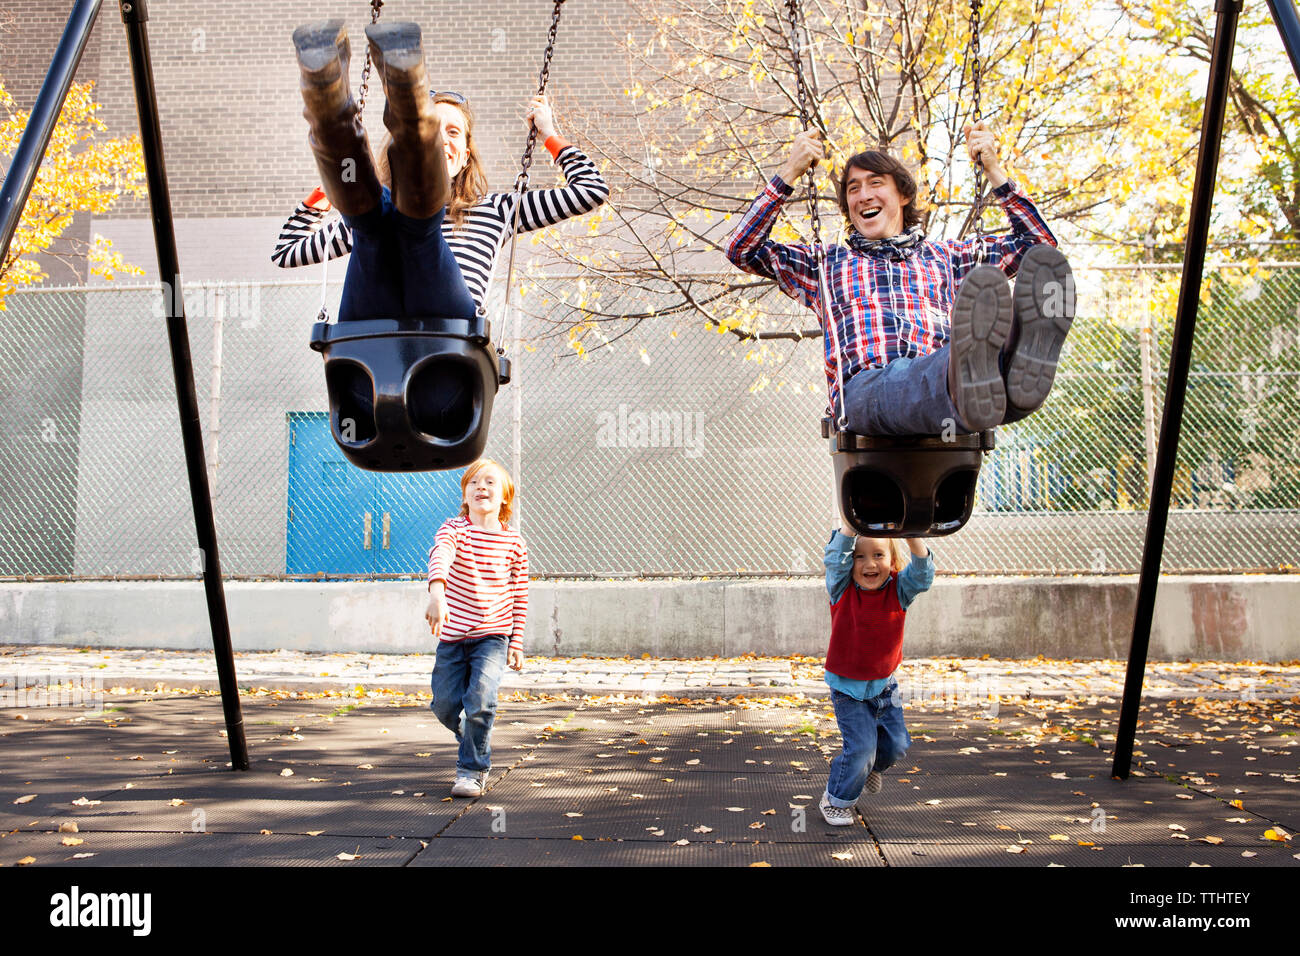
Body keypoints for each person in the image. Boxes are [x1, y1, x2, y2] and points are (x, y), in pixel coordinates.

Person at [725, 123, 1074, 437]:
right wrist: (790, 172)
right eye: (853, 189)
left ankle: (1016, 371)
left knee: (957, 372)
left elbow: (1039, 247)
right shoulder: (825, 265)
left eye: (875, 183)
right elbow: (742, 249)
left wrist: (994, 171)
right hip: (865, 394)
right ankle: (978, 376)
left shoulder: (946, 258)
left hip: (945, 392)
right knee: (937, 374)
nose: (863, 195)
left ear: (903, 195)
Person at [276, 19, 610, 323]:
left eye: (451, 133)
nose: (442, 142)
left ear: (465, 156)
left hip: (448, 329)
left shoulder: (497, 209)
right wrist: (335, 186)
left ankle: (402, 90)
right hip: (374, 321)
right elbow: (286, 252)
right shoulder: (378, 209)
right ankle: (327, 96)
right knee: (369, 224)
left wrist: (549, 135)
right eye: (432, 131)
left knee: (416, 229)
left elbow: (591, 191)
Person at [424, 458, 528, 797]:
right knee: (444, 705)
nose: (480, 487)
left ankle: (471, 770)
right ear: (465, 496)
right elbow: (441, 554)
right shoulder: (453, 529)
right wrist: (437, 593)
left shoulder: (513, 544)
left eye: (490, 483)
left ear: (504, 498)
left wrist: (516, 642)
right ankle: (475, 737)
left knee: (481, 701)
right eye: (473, 483)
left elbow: (519, 595)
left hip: (492, 636)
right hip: (453, 638)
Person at [818, 529, 934, 825]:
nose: (869, 564)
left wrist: (912, 534)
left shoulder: (899, 589)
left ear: (893, 561)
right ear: (850, 563)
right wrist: (848, 527)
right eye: (859, 557)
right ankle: (835, 799)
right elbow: (834, 560)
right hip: (848, 689)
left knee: (896, 745)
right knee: (861, 750)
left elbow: (923, 574)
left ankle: (871, 769)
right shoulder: (841, 588)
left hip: (885, 685)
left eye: (878, 555)